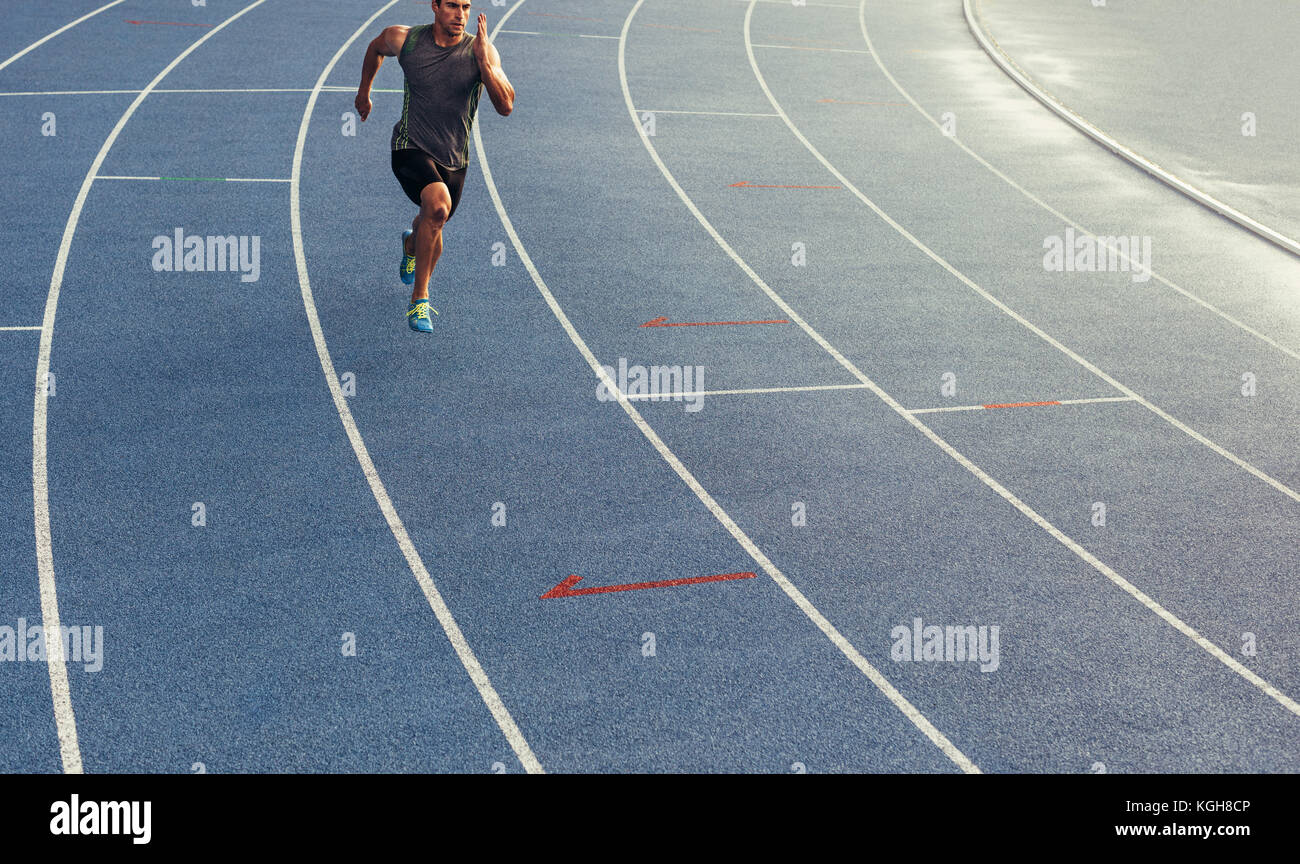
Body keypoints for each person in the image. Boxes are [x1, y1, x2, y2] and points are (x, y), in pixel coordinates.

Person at [354, 1, 515, 332]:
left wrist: (485, 64)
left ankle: (411, 244)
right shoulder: (407, 41)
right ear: (435, 6)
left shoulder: (481, 51)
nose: (460, 15)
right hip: (409, 147)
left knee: (433, 220)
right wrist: (363, 93)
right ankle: (419, 301)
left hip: (454, 159)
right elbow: (375, 48)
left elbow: (506, 105)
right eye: (452, 6)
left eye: (466, 7)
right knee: (438, 207)